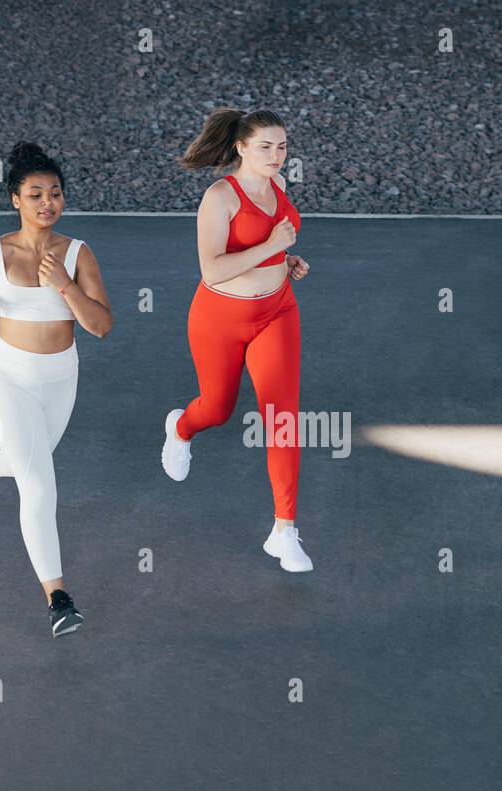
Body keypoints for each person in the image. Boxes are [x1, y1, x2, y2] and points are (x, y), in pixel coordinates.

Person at [0, 141, 113, 636]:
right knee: (40, 484)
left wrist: (65, 285)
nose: (48, 202)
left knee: (25, 467)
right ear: (15, 201)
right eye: (36, 193)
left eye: (56, 193)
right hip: (6, 375)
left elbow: (102, 326)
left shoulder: (79, 254)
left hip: (60, 380)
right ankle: (59, 599)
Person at [162, 108, 313, 572]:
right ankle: (181, 428)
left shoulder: (280, 187)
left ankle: (284, 530)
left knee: (283, 419)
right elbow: (214, 268)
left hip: (277, 312)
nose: (276, 155)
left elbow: (272, 244)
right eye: (265, 147)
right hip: (219, 320)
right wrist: (272, 248)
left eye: (282, 146)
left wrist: (286, 262)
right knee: (218, 409)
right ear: (242, 148)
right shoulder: (219, 198)